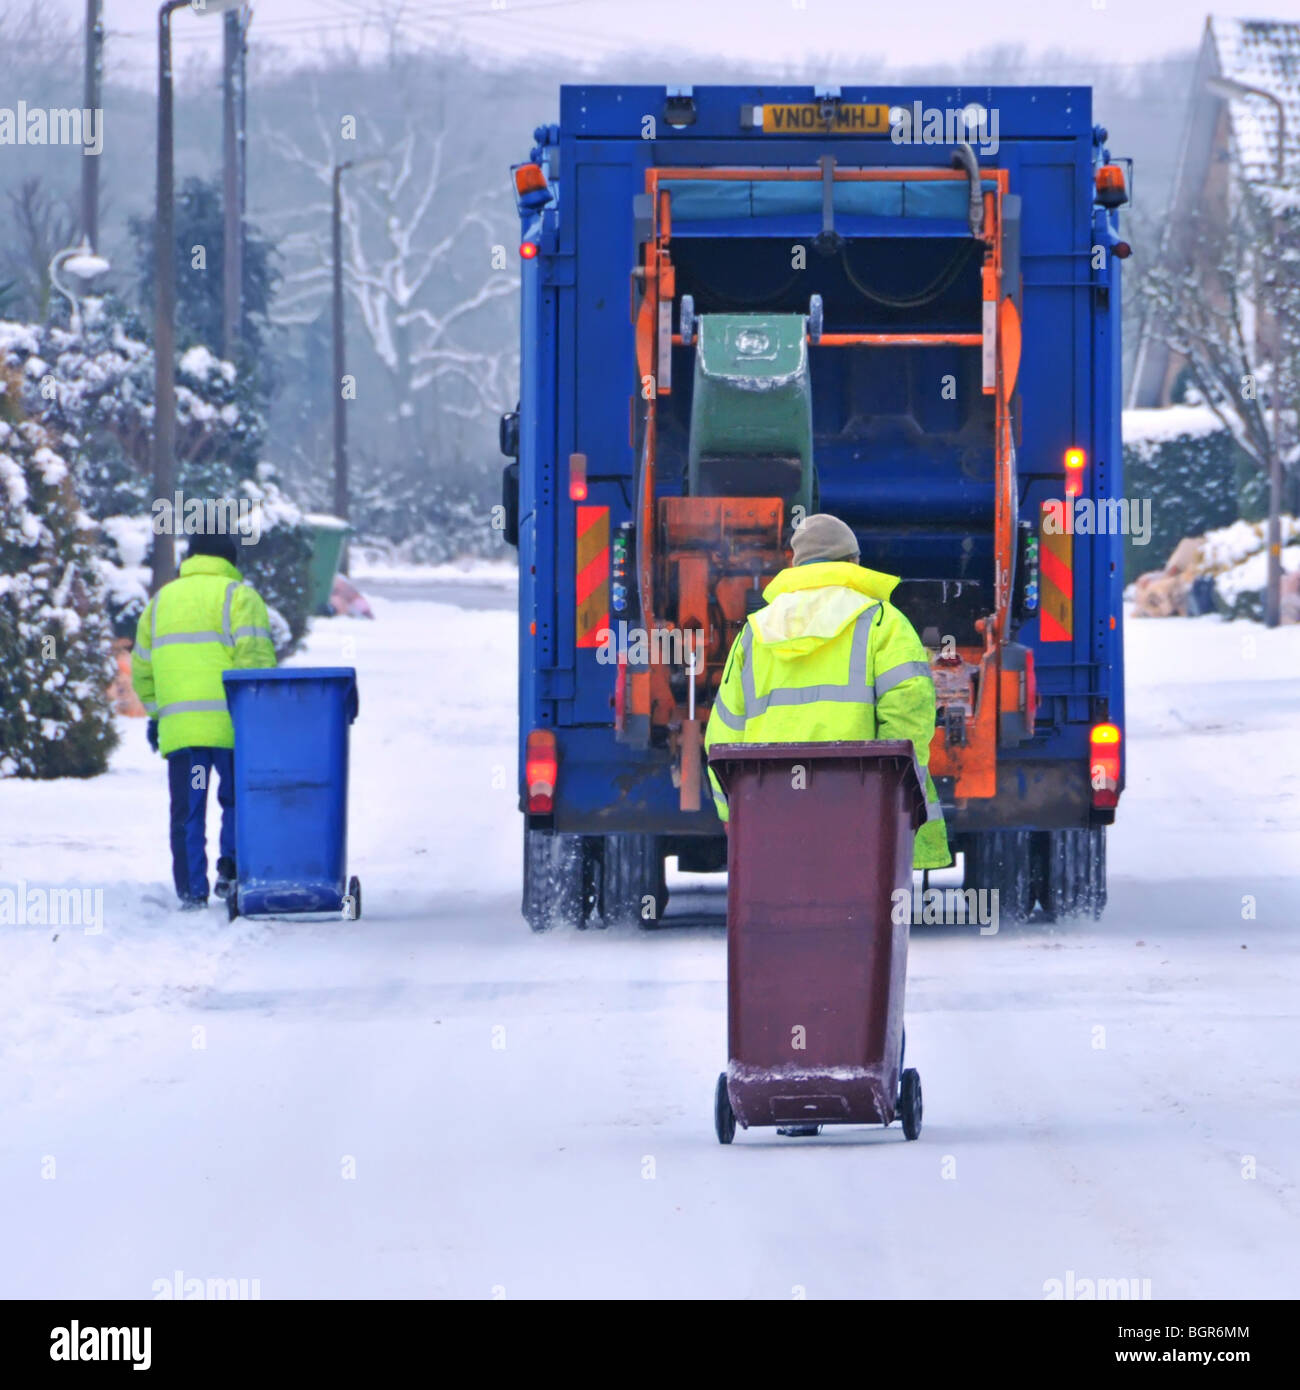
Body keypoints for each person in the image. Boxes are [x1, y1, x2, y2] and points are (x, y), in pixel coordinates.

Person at [704, 512, 951, 871]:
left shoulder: (753, 635)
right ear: (853, 562)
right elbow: (909, 714)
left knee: (784, 915)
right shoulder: (885, 623)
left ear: (797, 564)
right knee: (858, 916)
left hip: (771, 813)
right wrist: (895, 795)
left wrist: (732, 810)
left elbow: (724, 734)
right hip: (861, 810)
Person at [131, 531, 277, 909]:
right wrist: (263, 717)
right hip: (233, 729)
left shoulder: (160, 603)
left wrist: (157, 714)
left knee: (189, 809)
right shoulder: (239, 596)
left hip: (185, 734)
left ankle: (192, 889)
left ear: (190, 558)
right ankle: (231, 869)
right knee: (236, 800)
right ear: (230, 560)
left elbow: (143, 669)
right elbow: (256, 662)